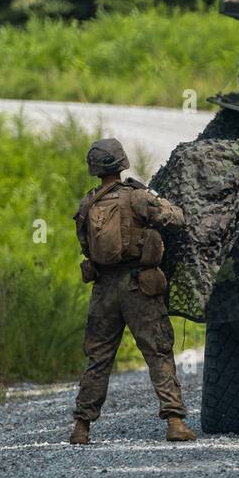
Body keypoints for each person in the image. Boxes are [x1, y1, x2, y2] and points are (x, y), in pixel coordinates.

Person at [70, 138, 195, 444]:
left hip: (103, 291)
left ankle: (81, 427)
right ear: (121, 163)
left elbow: (85, 246)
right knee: (158, 351)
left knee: (98, 358)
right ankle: (175, 422)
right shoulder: (137, 198)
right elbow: (177, 218)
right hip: (139, 285)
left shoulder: (87, 204)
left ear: (95, 168)